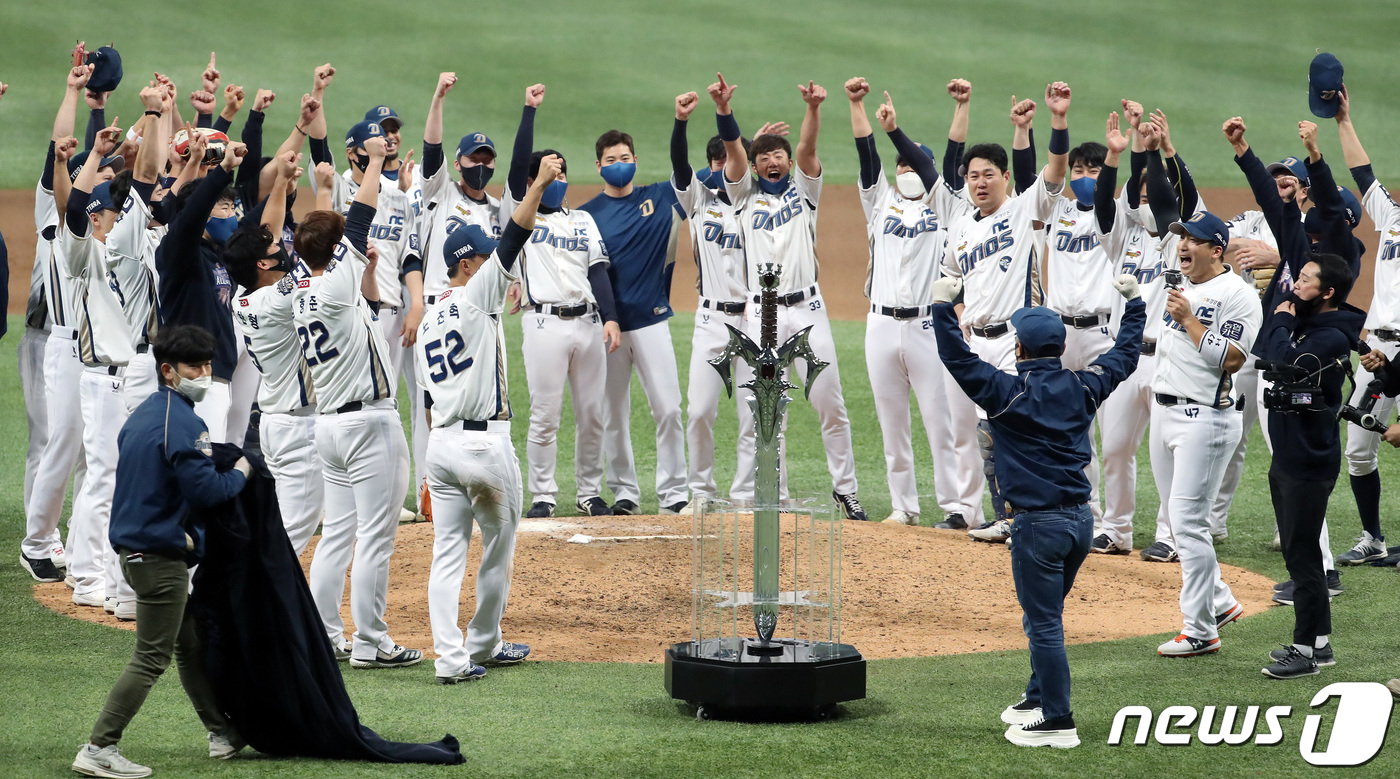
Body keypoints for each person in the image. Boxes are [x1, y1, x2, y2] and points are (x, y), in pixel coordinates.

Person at [931, 265, 1146, 748]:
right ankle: (1036, 696)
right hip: (1080, 525)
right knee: (1042, 614)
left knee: (1045, 621)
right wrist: (1134, 306)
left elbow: (956, 357)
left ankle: (1058, 721)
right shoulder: (1084, 386)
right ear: (1061, 348)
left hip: (1038, 528)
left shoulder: (1007, 393)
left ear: (1018, 349)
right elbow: (1126, 353)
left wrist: (943, 307)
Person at [73, 325, 253, 779]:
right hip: (157, 556)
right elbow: (209, 490)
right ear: (168, 371)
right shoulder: (185, 422)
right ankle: (99, 747)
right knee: (151, 657)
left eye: (209, 365)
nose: (205, 374)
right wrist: (245, 470)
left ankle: (221, 733)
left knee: (187, 642)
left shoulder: (145, 413)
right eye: (196, 367)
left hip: (137, 550)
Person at [417, 156, 560, 685]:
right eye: (482, 256)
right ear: (468, 265)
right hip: (484, 448)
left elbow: (429, 396)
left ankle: (451, 660)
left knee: (446, 555)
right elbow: (515, 238)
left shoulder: (430, 313)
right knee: (498, 548)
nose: (492, 264)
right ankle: (484, 641)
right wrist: (540, 184)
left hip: (442, 446)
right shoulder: (478, 295)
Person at [712, 73, 866, 520]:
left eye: (777, 154)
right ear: (756, 167)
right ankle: (769, 495)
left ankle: (846, 490)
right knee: (762, 409)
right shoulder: (743, 196)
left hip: (807, 310)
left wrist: (813, 109)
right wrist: (725, 111)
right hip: (760, 316)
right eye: (765, 157)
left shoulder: (805, 191)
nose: (774, 160)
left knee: (829, 403)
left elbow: (807, 150)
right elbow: (737, 154)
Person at [297, 133, 417, 668]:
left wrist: (323, 196)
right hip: (369, 425)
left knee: (337, 535)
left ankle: (324, 634)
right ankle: (371, 643)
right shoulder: (338, 275)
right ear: (336, 250)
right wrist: (373, 161)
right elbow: (364, 210)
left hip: (329, 427)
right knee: (376, 537)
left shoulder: (305, 285)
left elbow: (326, 237)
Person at [939, 82, 1073, 542]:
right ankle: (1007, 517)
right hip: (980, 340)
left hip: (1021, 343)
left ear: (1005, 178)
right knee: (989, 434)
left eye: (989, 174)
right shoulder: (960, 227)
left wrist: (1053, 121)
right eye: (973, 175)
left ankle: (1038, 515)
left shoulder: (1023, 211)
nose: (980, 182)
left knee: (1020, 430)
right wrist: (959, 309)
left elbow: (1055, 169)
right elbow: (952, 278)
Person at [845, 77, 975, 526]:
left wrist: (962, 106)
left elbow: (955, 153)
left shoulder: (948, 207)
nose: (906, 171)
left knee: (940, 422)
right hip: (879, 325)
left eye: (914, 166)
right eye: (901, 165)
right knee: (891, 422)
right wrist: (856, 104)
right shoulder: (879, 203)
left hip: (926, 327)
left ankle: (956, 506)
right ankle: (904, 506)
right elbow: (866, 154)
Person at [503, 83, 620, 518]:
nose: (560, 178)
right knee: (545, 415)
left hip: (587, 323)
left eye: (564, 171)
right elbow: (517, 170)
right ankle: (543, 495)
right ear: (535, 180)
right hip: (542, 324)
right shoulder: (521, 213)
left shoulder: (584, 219)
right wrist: (529, 111)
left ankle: (589, 492)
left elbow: (597, 270)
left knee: (592, 415)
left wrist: (610, 318)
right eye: (551, 171)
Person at [1150, 203, 1258, 657]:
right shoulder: (1179, 286)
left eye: (1192, 239)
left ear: (1217, 249)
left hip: (1204, 420)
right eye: (1181, 239)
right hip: (1165, 413)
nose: (1183, 245)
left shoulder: (1238, 295)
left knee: (1189, 527)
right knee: (1179, 521)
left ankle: (1200, 630)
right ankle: (1220, 600)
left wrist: (1189, 320)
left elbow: (1233, 358)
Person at [1091, 111, 1193, 559]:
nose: (1151, 199)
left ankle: (1170, 535)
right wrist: (1118, 155)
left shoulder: (1183, 239)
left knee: (1167, 451)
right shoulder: (1123, 236)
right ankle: (1116, 529)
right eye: (1144, 194)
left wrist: (1156, 150)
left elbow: (1178, 200)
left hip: (1168, 357)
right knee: (1114, 447)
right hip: (1125, 357)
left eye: (1159, 193)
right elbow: (1103, 203)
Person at [1259, 255, 1363, 679]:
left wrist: (1282, 323)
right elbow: (1268, 349)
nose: (1294, 284)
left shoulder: (1333, 336)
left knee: (1302, 557)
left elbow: (1289, 365)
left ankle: (1304, 652)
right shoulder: (1309, 320)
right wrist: (1285, 315)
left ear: (1328, 292)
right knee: (1297, 553)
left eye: (1304, 279)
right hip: (1289, 456)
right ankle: (1319, 645)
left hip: (1307, 461)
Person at [580, 128, 688, 515]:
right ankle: (625, 492)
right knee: (613, 415)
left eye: (625, 158)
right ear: (598, 166)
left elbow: (707, 174)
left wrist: (683, 124)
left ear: (636, 160)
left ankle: (675, 494)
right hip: (606, 328)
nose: (619, 165)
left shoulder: (661, 197)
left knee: (670, 409)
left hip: (652, 321)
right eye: (610, 160)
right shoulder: (586, 216)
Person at [226, 150, 325, 557]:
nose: (283, 246)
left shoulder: (243, 296)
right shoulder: (277, 300)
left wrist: (283, 183)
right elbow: (322, 253)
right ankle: (250, 604)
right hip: (298, 428)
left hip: (278, 422)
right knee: (291, 534)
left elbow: (269, 228)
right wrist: (326, 196)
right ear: (264, 263)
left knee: (289, 520)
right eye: (275, 248)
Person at [418, 71, 502, 514]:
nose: (481, 166)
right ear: (459, 163)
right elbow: (431, 148)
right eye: (473, 159)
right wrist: (438, 97)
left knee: (477, 396)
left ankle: (469, 477)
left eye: (487, 159)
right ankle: (430, 484)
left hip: (478, 310)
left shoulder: (494, 209)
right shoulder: (440, 191)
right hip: (439, 304)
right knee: (432, 401)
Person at [1333, 86, 1400, 567]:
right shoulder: (1392, 220)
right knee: (1359, 450)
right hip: (1374, 352)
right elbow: (1363, 174)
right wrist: (1342, 120)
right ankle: (1373, 536)